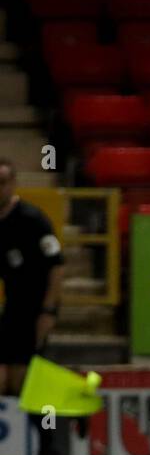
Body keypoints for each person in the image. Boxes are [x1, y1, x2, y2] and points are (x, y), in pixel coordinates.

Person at [0, 157, 64, 398]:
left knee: (20, 382)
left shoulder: (33, 220)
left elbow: (56, 267)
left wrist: (48, 311)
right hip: (12, 306)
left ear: (13, 183)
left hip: (36, 307)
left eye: (2, 182)